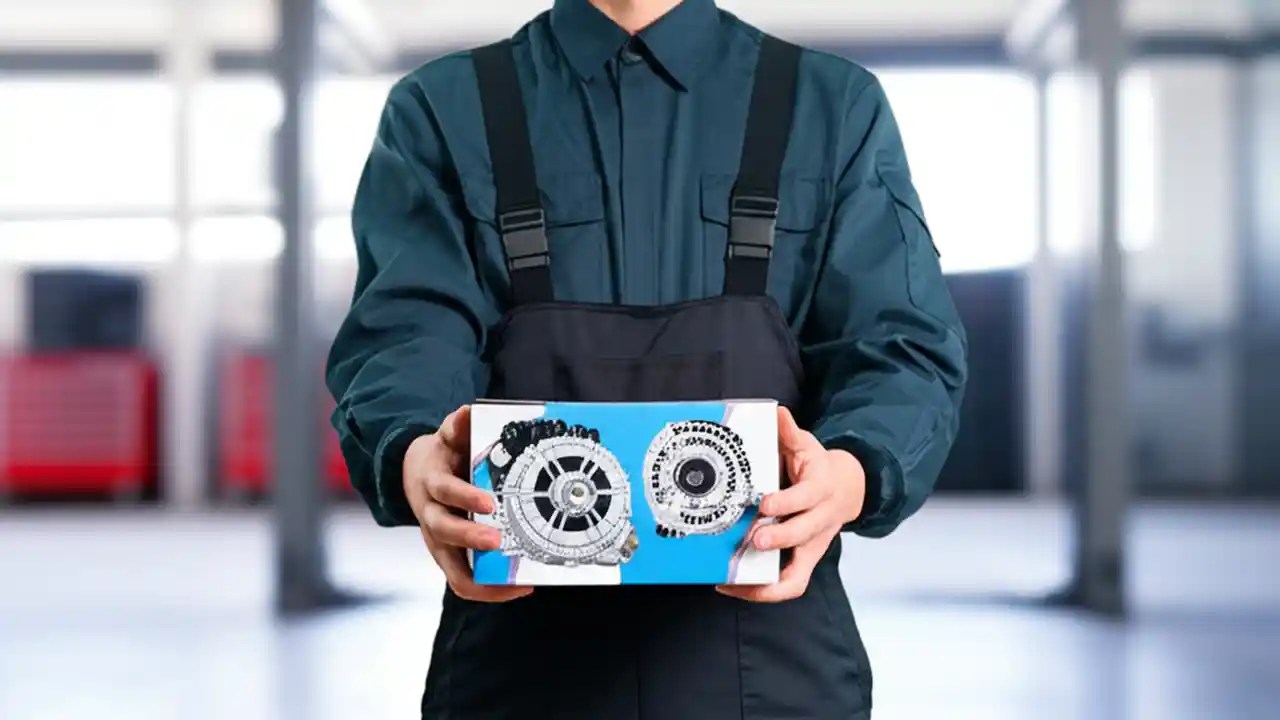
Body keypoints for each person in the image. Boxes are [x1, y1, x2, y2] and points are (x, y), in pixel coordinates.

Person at [326, 0, 967, 717]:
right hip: (518, 668)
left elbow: (903, 348)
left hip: (772, 673)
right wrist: (414, 452)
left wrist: (849, 475)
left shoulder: (832, 108)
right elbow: (405, 335)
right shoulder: (443, 113)